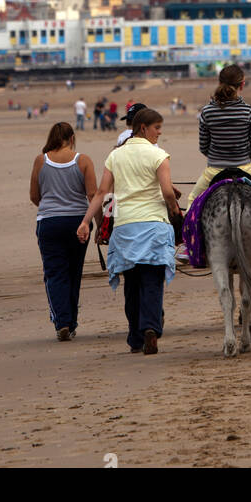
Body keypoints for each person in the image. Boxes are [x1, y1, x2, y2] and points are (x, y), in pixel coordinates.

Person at [77, 108, 179, 355]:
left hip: (125, 227)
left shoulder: (116, 156)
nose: (160, 132)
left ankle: (135, 337)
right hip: (153, 225)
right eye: (157, 127)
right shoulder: (159, 155)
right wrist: (174, 208)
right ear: (143, 128)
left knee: (132, 284)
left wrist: (85, 222)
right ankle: (151, 328)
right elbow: (167, 191)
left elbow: (101, 193)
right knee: (152, 281)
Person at [30, 122, 97, 341]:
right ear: (72, 137)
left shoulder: (42, 160)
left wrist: (51, 202)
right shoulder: (83, 160)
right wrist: (99, 223)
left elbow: (34, 196)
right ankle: (72, 321)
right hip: (78, 221)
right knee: (73, 272)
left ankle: (62, 321)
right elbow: (93, 195)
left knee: (54, 273)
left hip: (49, 222)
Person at [186, 65, 251, 207]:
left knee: (192, 201)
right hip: (245, 166)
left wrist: (217, 158)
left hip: (214, 169)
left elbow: (204, 147)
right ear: (242, 85)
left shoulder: (207, 112)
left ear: (219, 83)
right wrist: (247, 159)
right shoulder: (250, 112)